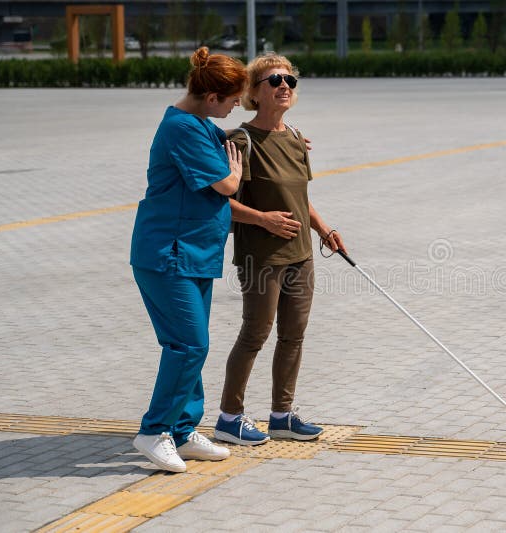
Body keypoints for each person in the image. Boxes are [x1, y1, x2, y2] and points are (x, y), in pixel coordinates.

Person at [214, 53, 346, 446]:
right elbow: (222, 203)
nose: (284, 86)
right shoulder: (241, 141)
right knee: (255, 332)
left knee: (294, 334)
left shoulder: (294, 138)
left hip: (301, 254)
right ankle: (229, 416)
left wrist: (324, 229)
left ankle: (282, 416)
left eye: (289, 80)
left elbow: (299, 197)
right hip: (262, 256)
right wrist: (263, 219)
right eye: (273, 80)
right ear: (254, 92)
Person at [129, 47, 247, 473]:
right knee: (188, 344)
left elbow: (238, 141)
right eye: (233, 98)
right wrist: (231, 176)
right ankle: (153, 430)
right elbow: (227, 184)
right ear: (212, 97)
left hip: (194, 253)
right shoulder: (183, 129)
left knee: (189, 346)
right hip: (168, 254)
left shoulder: (199, 124)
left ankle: (182, 429)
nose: (237, 105)